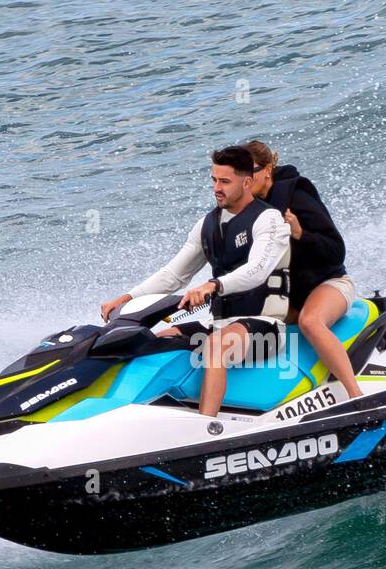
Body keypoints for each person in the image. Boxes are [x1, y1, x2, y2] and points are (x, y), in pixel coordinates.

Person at [99, 146, 290, 418]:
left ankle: (206, 427)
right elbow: (174, 275)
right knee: (150, 341)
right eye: (214, 180)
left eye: (225, 181)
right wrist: (127, 298)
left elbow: (257, 270)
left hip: (265, 327)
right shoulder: (207, 224)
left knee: (216, 345)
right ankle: (128, 415)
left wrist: (213, 285)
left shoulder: (268, 219)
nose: (217, 188)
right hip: (215, 324)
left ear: (247, 182)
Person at [240, 140, 361, 399]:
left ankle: (356, 396)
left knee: (310, 322)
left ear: (268, 169)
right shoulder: (246, 209)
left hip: (329, 284)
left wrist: (300, 233)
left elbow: (335, 250)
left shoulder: (296, 194)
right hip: (286, 297)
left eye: (251, 172)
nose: (246, 180)